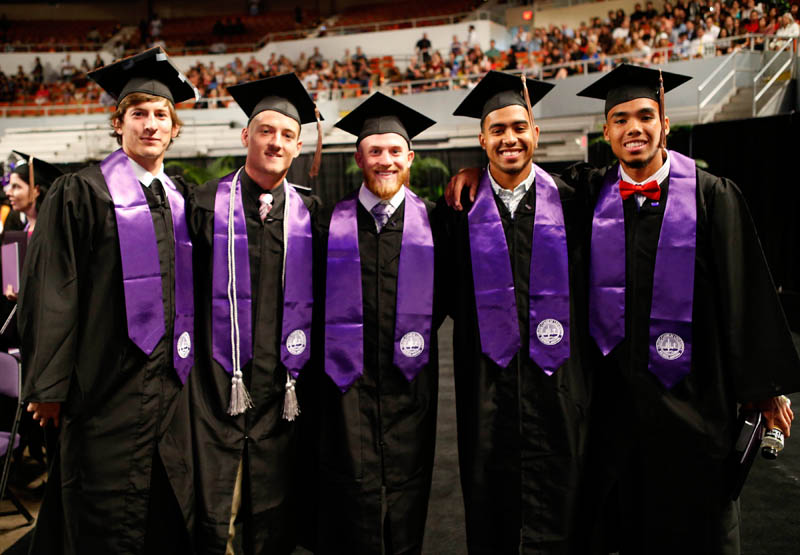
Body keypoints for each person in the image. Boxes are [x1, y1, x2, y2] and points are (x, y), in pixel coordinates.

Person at [567, 64, 798, 554]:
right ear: (606, 131)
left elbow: (745, 290)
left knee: (702, 530)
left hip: (696, 403)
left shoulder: (712, 195)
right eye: (622, 118)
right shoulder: (590, 194)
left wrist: (763, 387)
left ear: (665, 124)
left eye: (646, 116)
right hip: (616, 410)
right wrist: (472, 176)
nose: (635, 128)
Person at [19, 47, 198, 554]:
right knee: (99, 514)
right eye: (138, 113)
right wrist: (47, 386)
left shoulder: (182, 199)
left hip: (169, 393)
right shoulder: (82, 193)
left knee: (162, 512)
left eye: (161, 114)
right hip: (100, 390)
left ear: (174, 128)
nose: (151, 124)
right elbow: (54, 288)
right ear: (117, 123)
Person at [440, 70, 595, 553]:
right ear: (481, 138)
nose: (510, 138)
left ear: (536, 132)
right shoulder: (457, 212)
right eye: (498, 130)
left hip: (561, 387)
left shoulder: (578, 203)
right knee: (492, 513)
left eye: (519, 127)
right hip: (487, 391)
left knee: (564, 506)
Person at [188, 73, 321, 554]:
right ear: (246, 136)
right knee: (215, 511)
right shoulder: (203, 204)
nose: (276, 142)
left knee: (274, 516)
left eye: (287, 134)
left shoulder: (311, 213)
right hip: (213, 387)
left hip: (282, 392)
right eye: (266, 130)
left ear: (299, 145)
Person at [314, 92, 443, 554]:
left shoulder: (438, 225)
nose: (384, 161)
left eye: (394, 152)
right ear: (358, 157)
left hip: (412, 388)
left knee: (410, 501)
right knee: (352, 499)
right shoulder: (328, 224)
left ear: (410, 156)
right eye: (375, 151)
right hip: (345, 391)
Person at [1, 150, 62, 237]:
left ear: (36, 190)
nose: (8, 193)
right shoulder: (23, 231)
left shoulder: (51, 234)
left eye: (16, 186)